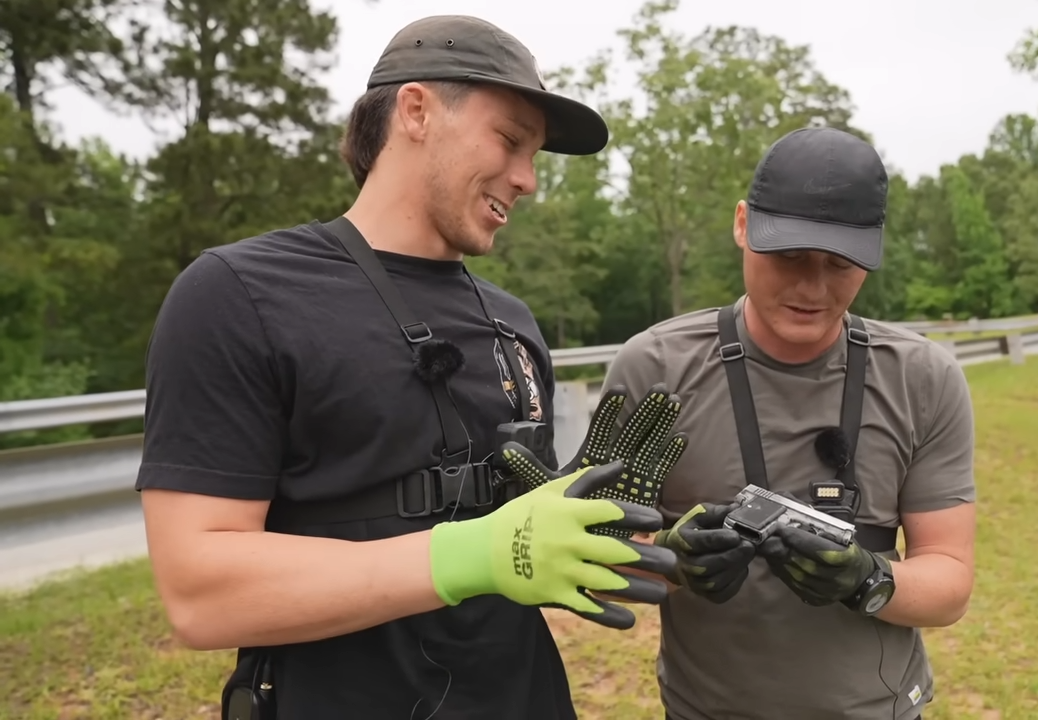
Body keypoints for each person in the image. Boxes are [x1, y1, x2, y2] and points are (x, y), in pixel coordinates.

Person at [134, 14, 687, 720]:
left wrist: (615, 544)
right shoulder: (238, 295)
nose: (527, 179)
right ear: (417, 110)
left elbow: (515, 549)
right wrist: (476, 554)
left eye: (536, 156)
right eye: (512, 141)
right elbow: (199, 595)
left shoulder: (511, 323)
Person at [603, 126, 978, 720]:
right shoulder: (655, 367)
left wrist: (867, 580)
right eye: (790, 256)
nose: (813, 287)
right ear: (742, 225)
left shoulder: (922, 378)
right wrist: (672, 562)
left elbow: (950, 579)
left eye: (840, 264)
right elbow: (602, 562)